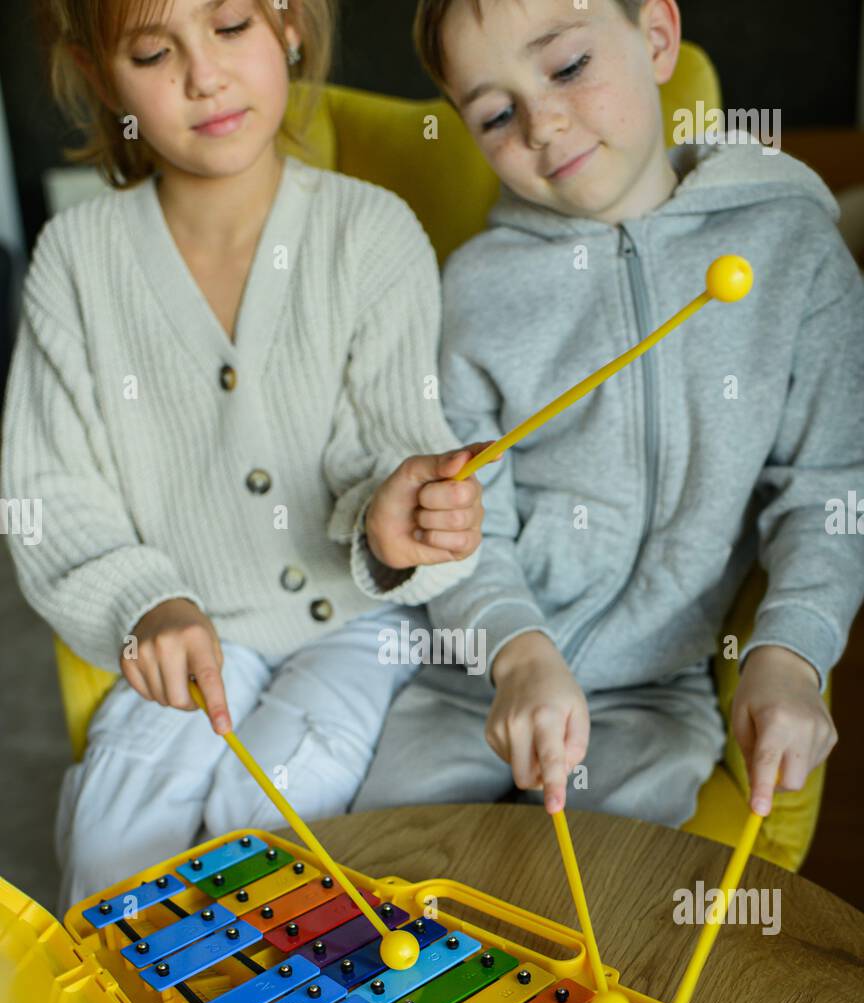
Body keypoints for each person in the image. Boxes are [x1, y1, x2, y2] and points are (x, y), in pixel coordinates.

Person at [0, 0, 486, 912]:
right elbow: (47, 495)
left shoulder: (372, 235)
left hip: (353, 626)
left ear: (290, 26)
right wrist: (146, 602)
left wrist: (399, 521)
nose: (203, 75)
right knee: (112, 842)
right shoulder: (75, 260)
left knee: (262, 834)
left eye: (231, 28)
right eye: (153, 51)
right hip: (181, 632)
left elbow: (399, 451)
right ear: (101, 76)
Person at [354, 0, 864, 829]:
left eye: (567, 67)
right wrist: (515, 650)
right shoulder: (474, 290)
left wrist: (789, 655)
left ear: (657, 37)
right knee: (383, 880)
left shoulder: (794, 250)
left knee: (613, 918)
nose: (543, 123)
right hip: (471, 678)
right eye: (495, 113)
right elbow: (461, 520)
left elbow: (831, 487)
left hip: (653, 695)